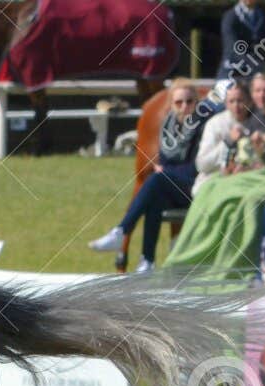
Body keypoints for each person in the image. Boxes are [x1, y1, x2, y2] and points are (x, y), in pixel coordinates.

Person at [87, 80, 206, 272]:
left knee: (157, 179)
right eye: (179, 102)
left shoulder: (203, 128)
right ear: (171, 105)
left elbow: (195, 168)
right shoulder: (169, 127)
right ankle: (147, 261)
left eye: (189, 101)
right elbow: (167, 163)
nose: (184, 107)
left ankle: (121, 231)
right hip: (174, 187)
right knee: (155, 197)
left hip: (197, 188)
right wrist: (166, 172)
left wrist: (166, 173)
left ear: (196, 103)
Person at [221, 0, 265, 80]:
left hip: (259, 70)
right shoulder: (230, 17)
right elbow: (233, 50)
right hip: (233, 70)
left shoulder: (264, 16)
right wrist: (261, 67)